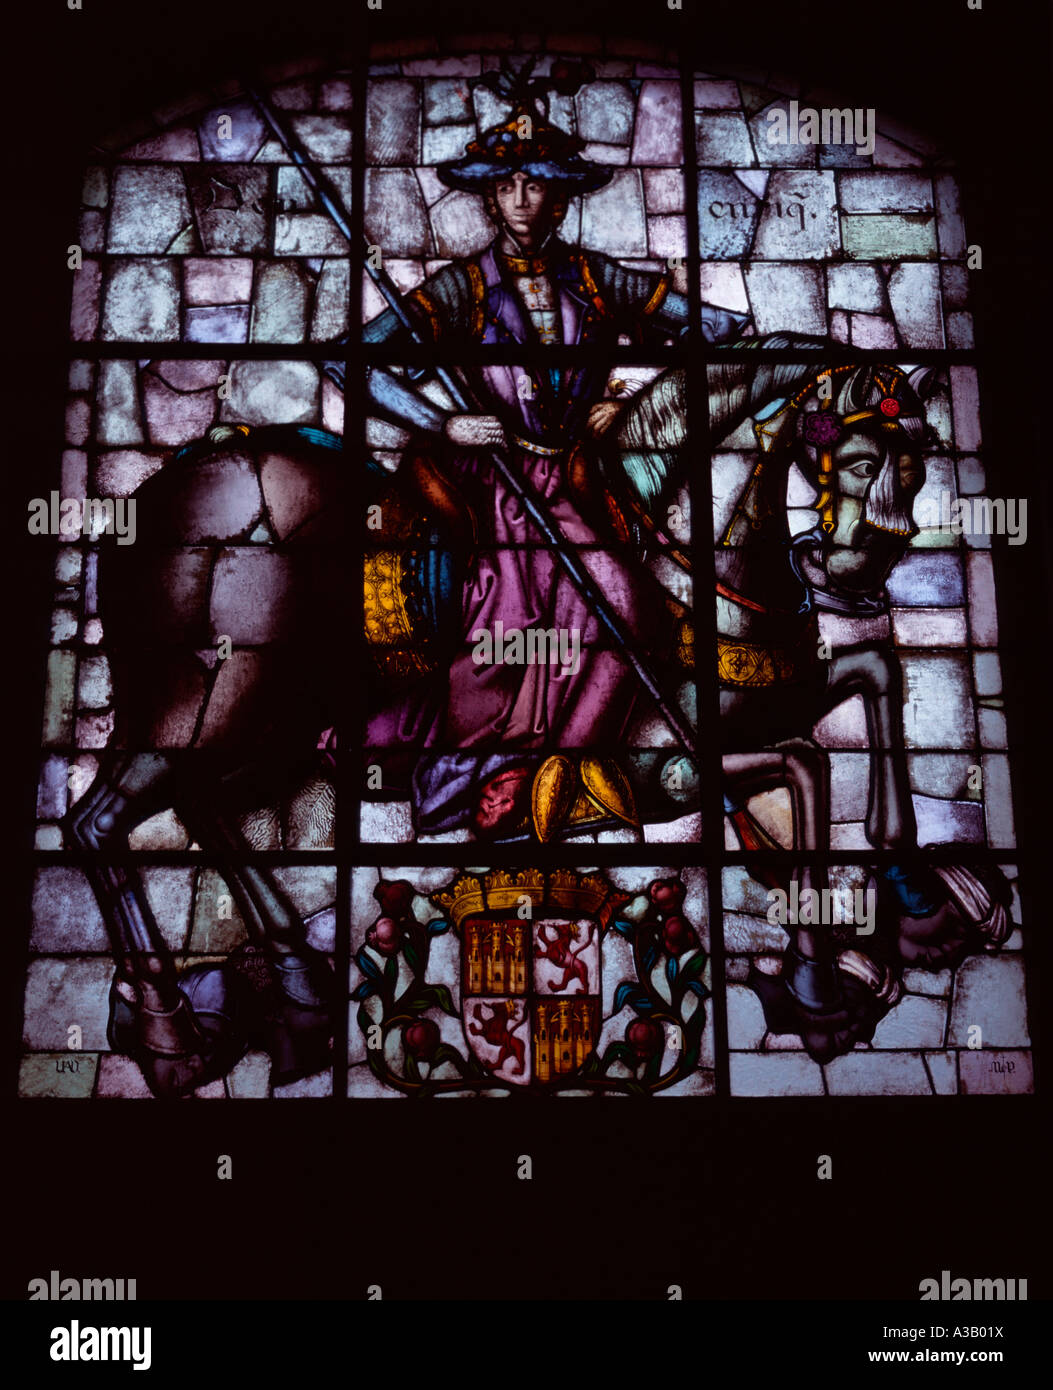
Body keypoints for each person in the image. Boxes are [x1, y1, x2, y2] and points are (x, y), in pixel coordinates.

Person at [341, 97, 748, 840]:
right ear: (490, 198)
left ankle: (555, 775)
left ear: (561, 195)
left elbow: (718, 331)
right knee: (555, 621)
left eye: (537, 184)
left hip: (580, 478)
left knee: (630, 613)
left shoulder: (595, 279)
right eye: (507, 186)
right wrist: (443, 422)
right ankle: (518, 772)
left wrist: (627, 395)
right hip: (495, 481)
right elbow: (354, 362)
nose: (523, 198)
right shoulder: (461, 287)